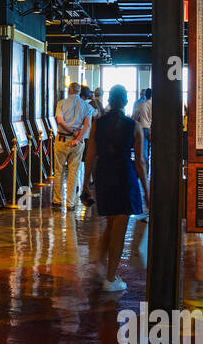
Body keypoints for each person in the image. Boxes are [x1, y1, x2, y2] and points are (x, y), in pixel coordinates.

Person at [91, 85, 149, 292]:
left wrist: (86, 185)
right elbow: (140, 162)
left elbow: (91, 154)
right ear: (125, 101)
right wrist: (146, 190)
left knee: (111, 223)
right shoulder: (133, 126)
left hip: (104, 175)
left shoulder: (97, 124)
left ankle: (99, 264)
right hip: (124, 176)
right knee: (119, 229)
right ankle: (111, 277)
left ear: (109, 99)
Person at [52, 82, 92, 211]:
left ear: (69, 90)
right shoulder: (87, 106)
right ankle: (70, 202)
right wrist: (78, 137)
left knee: (58, 170)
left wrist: (71, 132)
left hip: (62, 139)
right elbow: (87, 125)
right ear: (79, 92)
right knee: (73, 172)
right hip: (78, 143)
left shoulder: (61, 103)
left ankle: (57, 200)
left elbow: (60, 121)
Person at [131, 87, 153, 168]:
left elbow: (135, 118)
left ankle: (145, 169)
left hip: (143, 128)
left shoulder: (140, 104)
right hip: (153, 129)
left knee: (144, 152)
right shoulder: (155, 105)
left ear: (145, 95)